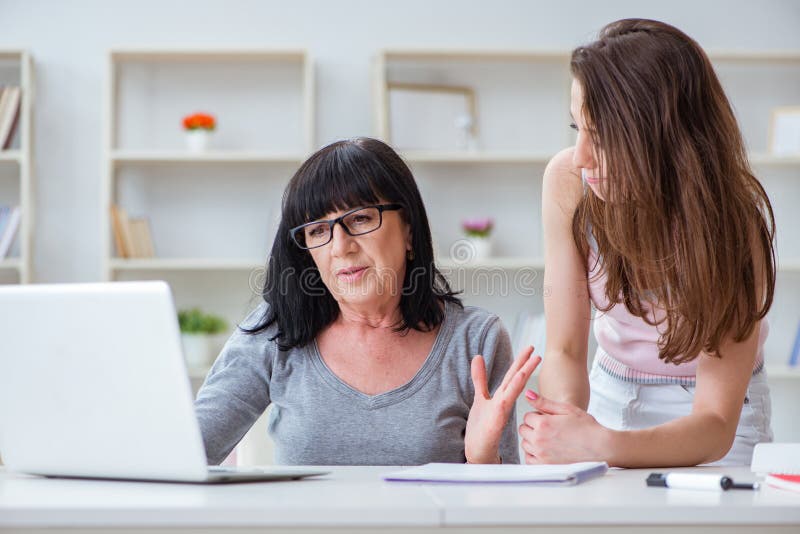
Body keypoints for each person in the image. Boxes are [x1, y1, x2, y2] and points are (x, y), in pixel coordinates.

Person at [520, 19, 775, 467]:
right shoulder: (568, 182)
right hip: (612, 392)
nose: (580, 157)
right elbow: (565, 349)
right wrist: (565, 428)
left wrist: (601, 445)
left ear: (659, 137)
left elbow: (715, 423)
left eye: (600, 137)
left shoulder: (736, 227)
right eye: (577, 128)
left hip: (717, 420)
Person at [195, 137, 539, 465]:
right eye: (317, 230)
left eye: (359, 218)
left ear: (408, 228)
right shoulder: (276, 329)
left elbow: (498, 510)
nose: (339, 246)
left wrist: (483, 461)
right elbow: (187, 452)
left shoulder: (476, 341)